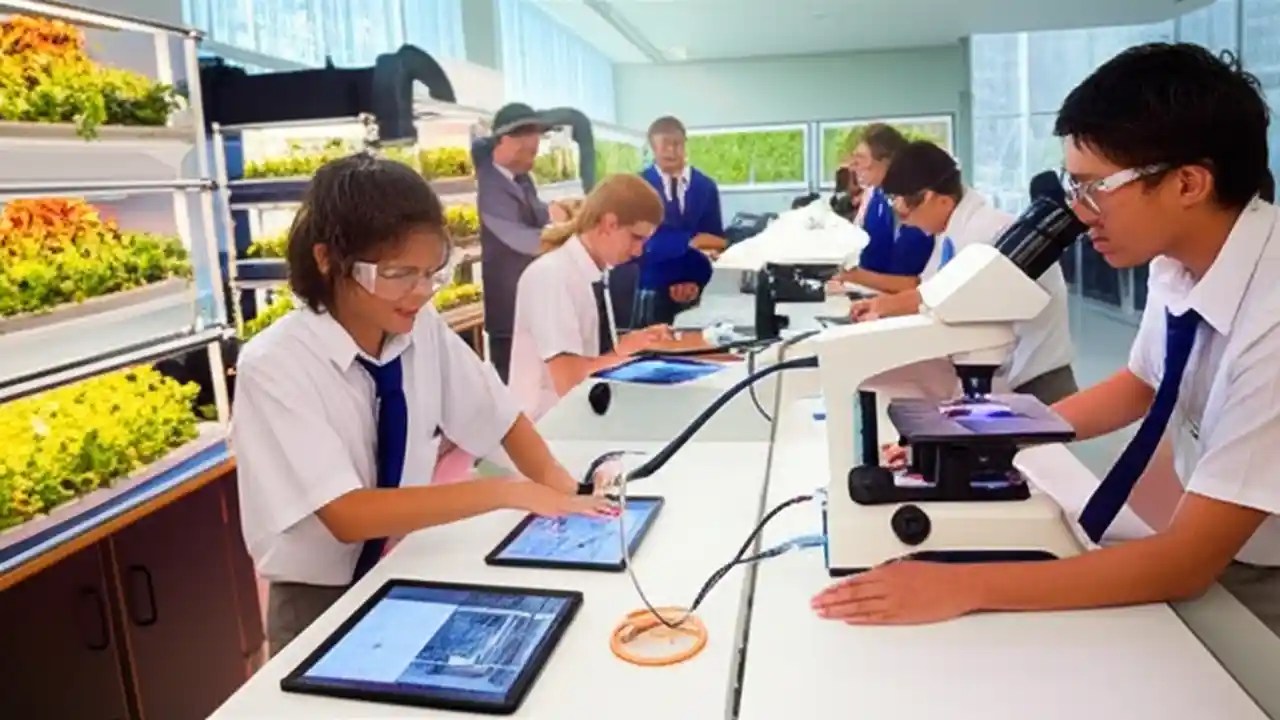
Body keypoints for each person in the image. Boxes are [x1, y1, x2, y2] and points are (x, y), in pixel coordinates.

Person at [811, 43, 1280, 637]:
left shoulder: (1273, 315)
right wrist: (985, 439)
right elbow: (1141, 382)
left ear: (1187, 183)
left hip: (1260, 580)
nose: (1080, 215)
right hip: (1218, 552)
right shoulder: (1180, 261)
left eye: (1094, 189)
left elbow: (1186, 563)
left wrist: (963, 586)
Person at [232, 155, 612, 656]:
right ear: (327, 260)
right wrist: (508, 493)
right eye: (397, 273)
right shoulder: (274, 365)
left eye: (432, 273)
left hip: (406, 564)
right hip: (316, 603)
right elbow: (348, 515)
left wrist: (571, 492)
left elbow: (499, 417)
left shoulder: (420, 327)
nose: (420, 292)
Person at [848, 140, 1077, 405]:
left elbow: (944, 300)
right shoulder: (952, 232)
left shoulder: (987, 232)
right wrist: (881, 306)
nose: (906, 222)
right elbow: (929, 288)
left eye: (906, 212)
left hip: (1036, 381)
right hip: (1005, 373)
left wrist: (884, 307)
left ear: (939, 199)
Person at [508, 174, 676, 420]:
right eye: (636, 237)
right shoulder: (551, 276)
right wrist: (625, 353)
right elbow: (569, 379)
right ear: (609, 224)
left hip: (577, 421)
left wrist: (638, 342)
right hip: (546, 431)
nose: (639, 250)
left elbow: (591, 357)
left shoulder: (594, 272)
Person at [475, 102, 569, 383]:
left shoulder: (522, 179)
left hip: (530, 305)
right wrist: (567, 240)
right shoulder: (489, 185)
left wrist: (556, 213)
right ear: (504, 141)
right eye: (528, 143)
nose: (535, 147)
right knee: (515, 386)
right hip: (507, 312)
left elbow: (540, 216)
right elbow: (519, 238)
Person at [634, 115, 725, 326]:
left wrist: (694, 280)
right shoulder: (637, 186)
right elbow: (641, 241)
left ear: (685, 145)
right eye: (664, 145)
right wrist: (690, 241)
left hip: (697, 289)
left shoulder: (706, 186)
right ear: (652, 147)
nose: (671, 151)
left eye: (677, 145)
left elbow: (714, 239)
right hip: (652, 289)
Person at [828, 124, 935, 294]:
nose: (853, 167)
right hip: (872, 297)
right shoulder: (874, 194)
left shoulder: (926, 203)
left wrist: (856, 277)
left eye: (861, 158)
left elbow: (926, 284)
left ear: (887, 161)